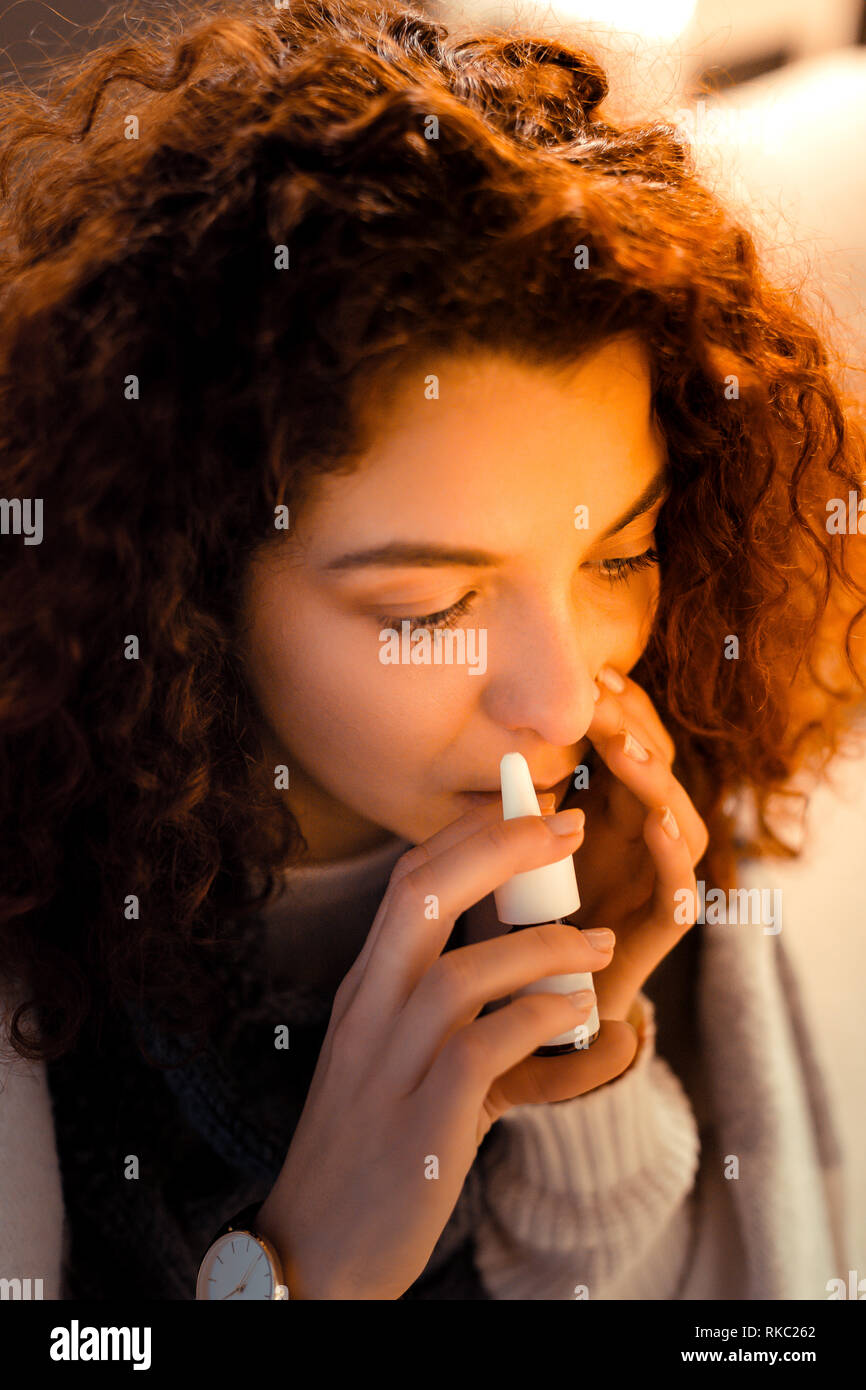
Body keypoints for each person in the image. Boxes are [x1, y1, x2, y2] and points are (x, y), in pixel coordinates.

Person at [1, 0, 864, 1301]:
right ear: (185, 579)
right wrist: (303, 1267)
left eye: (614, 557)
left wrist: (584, 1073)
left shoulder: (662, 830)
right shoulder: (41, 911)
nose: (562, 693)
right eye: (424, 609)